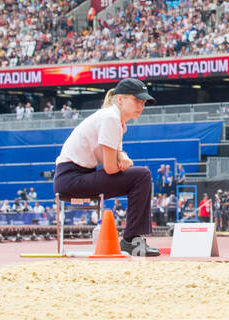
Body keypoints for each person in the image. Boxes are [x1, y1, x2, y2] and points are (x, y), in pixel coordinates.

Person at [52, 78, 158, 256]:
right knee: (142, 176)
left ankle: (133, 239)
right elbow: (110, 168)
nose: (141, 106)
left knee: (140, 176)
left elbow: (115, 157)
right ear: (120, 99)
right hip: (71, 179)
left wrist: (122, 157)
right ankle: (132, 240)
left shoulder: (116, 121)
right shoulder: (110, 118)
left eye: (143, 102)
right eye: (137, 100)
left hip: (76, 176)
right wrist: (122, 161)